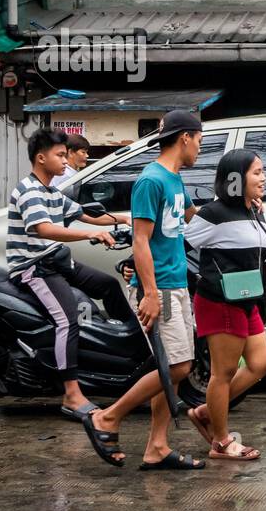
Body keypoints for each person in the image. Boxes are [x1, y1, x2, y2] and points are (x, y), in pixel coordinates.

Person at [81, 111, 205, 469]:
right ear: (184, 138)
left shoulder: (174, 180)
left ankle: (157, 447)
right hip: (159, 287)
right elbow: (140, 241)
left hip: (176, 284)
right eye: (198, 139)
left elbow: (187, 219)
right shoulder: (151, 181)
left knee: (174, 365)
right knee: (179, 366)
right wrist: (149, 293)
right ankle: (107, 417)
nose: (199, 146)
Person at [7, 128, 134, 421]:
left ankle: (126, 352)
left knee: (109, 286)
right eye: (60, 155)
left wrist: (127, 219)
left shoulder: (52, 192)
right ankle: (71, 394)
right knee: (68, 319)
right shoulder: (28, 191)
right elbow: (45, 230)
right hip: (34, 267)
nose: (65, 161)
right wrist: (93, 234)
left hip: (57, 261)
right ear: (41, 158)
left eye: (66, 155)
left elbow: (88, 215)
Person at [182, 148, 266, 461]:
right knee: (223, 373)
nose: (263, 178)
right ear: (236, 178)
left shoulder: (254, 210)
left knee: (261, 363)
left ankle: (208, 411)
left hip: (247, 298)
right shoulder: (214, 213)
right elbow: (181, 244)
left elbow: (260, 257)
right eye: (257, 172)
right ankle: (221, 442)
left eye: (262, 172)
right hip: (220, 299)